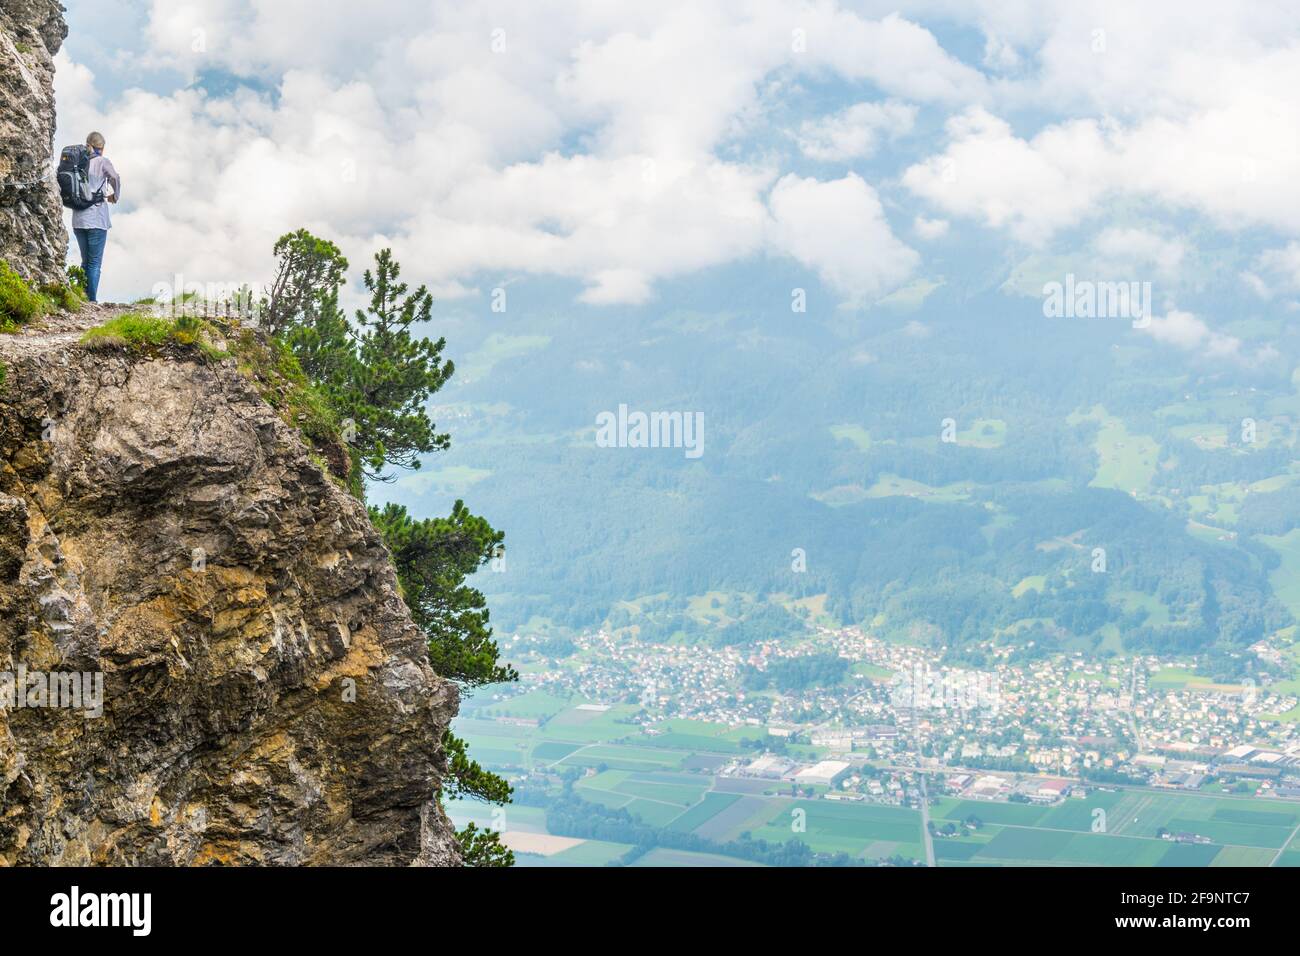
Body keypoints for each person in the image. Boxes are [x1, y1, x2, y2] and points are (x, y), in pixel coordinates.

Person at [70, 131, 120, 303]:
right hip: (97, 218)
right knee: (94, 263)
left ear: (87, 144)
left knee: (85, 262)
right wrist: (115, 195)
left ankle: (82, 298)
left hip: (78, 219)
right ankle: (91, 301)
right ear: (102, 148)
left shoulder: (76, 162)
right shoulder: (102, 162)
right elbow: (115, 177)